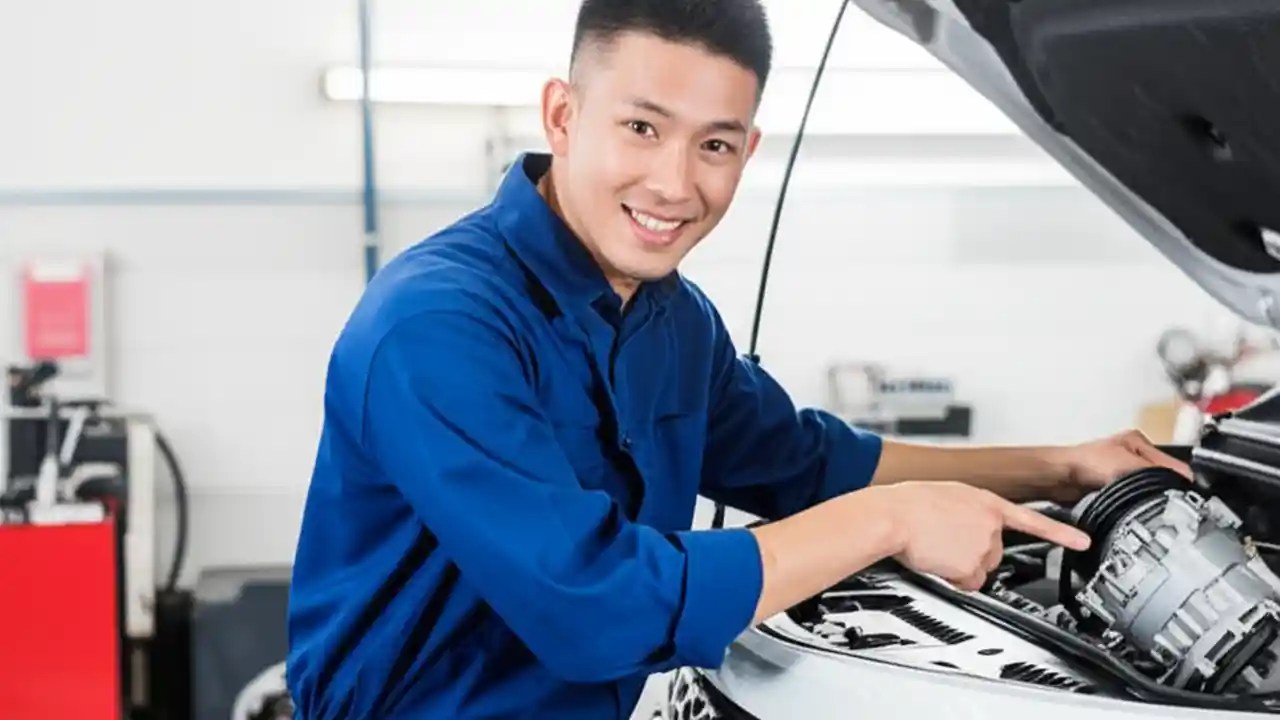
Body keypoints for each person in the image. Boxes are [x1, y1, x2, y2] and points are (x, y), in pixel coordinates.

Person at [285, 1, 1190, 717]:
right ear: (563, 114)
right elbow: (594, 606)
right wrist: (890, 521)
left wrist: (1061, 468)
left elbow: (811, 464)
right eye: (642, 128)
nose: (676, 184)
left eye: (714, 144)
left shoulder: (673, 321)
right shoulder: (438, 325)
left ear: (748, 150)